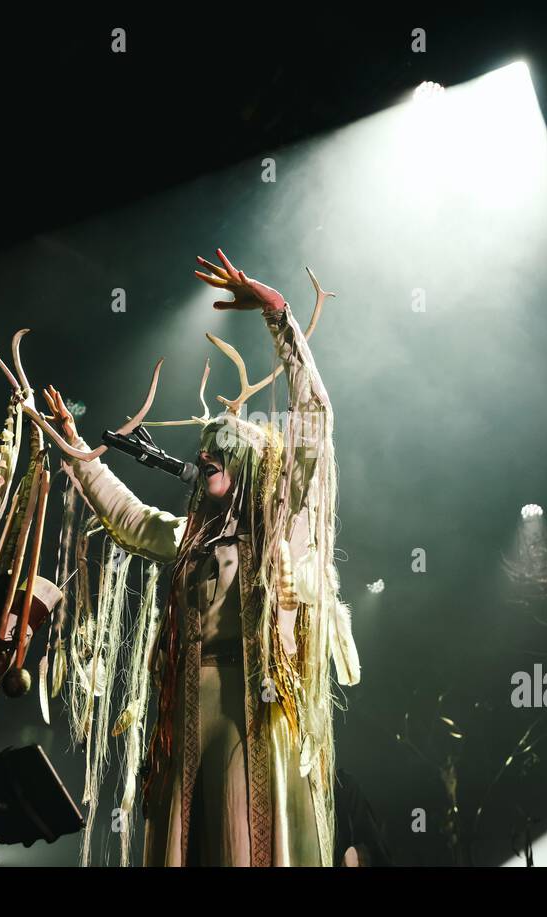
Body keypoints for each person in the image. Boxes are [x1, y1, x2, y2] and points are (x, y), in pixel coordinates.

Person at [45, 249, 359, 866]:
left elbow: (314, 420)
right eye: (204, 450)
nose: (206, 454)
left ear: (244, 466)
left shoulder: (277, 534)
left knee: (248, 837)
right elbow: (130, 518)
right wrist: (80, 450)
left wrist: (278, 315)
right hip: (189, 709)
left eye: (220, 448)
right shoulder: (191, 537)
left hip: (256, 708)